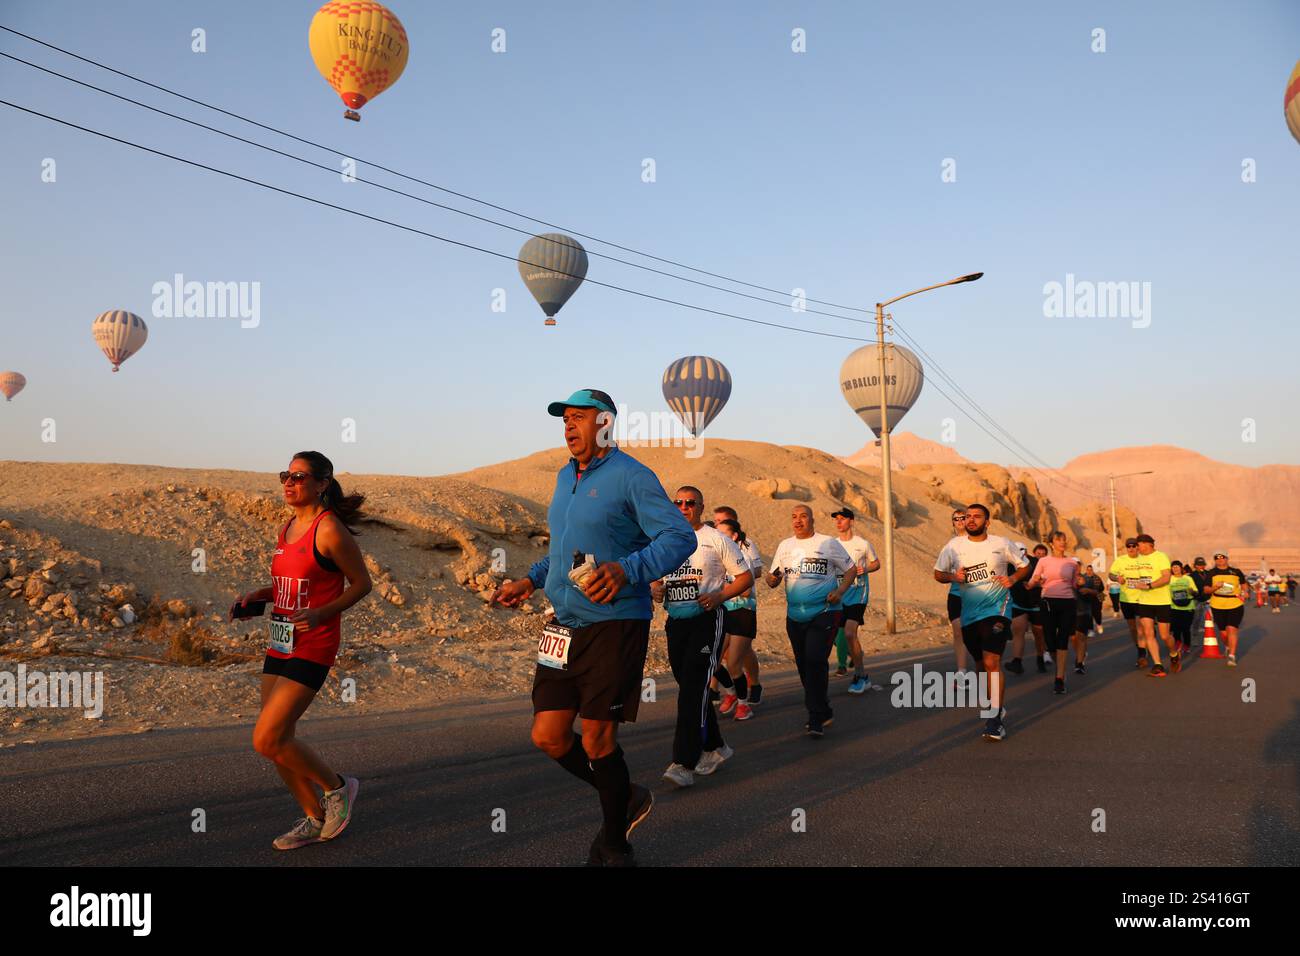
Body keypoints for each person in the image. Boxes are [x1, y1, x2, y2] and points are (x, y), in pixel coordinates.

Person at [491, 389, 696, 867]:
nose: (568, 426)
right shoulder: (566, 477)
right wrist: (530, 579)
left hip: (614, 624)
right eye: (564, 419)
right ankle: (624, 794)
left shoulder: (632, 476)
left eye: (578, 418)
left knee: (600, 739)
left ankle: (614, 841)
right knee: (548, 735)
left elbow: (679, 536)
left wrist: (627, 570)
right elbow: (565, 551)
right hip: (562, 627)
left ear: (605, 424)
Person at [233, 451, 373, 851]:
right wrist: (259, 599)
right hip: (281, 640)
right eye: (285, 475)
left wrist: (323, 612)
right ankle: (314, 817)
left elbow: (361, 584)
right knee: (279, 739)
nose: (288, 483)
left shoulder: (329, 531)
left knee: (266, 739)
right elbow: (290, 585)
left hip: (314, 644)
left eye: (298, 476)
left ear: (322, 484)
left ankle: (338, 788)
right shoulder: (288, 527)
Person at [652, 486, 753, 788]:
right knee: (691, 688)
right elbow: (655, 577)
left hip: (707, 621)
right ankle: (716, 747)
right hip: (675, 623)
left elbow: (745, 577)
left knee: (692, 691)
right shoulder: (665, 539)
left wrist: (720, 595)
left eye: (690, 503)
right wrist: (654, 588)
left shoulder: (716, 539)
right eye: (678, 502)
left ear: (701, 507)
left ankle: (684, 762)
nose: (684, 507)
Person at [933, 503, 1029, 740]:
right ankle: (993, 705)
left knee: (992, 660)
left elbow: (1024, 566)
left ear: (987, 522)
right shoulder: (954, 546)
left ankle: (995, 719)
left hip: (998, 610)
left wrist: (1013, 578)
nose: (971, 520)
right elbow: (937, 573)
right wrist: (953, 577)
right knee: (980, 665)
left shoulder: (1001, 543)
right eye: (967, 517)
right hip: (970, 614)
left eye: (977, 516)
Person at [764, 505, 856, 737]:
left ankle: (815, 717)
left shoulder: (828, 543)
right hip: (795, 615)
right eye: (794, 517)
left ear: (812, 520)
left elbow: (851, 570)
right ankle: (823, 708)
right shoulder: (785, 546)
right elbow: (774, 576)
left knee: (815, 660)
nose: (798, 521)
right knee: (804, 665)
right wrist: (771, 579)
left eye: (803, 516)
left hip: (824, 611)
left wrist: (841, 591)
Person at [711, 505, 763, 713]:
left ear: (733, 536)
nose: (718, 537)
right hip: (723, 613)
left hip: (742, 613)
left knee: (734, 663)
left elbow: (745, 590)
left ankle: (744, 701)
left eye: (722, 533)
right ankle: (731, 692)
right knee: (712, 660)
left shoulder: (744, 555)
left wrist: (722, 587)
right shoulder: (716, 559)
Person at [830, 508, 881, 694]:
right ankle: (855, 654)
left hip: (858, 595)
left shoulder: (862, 544)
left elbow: (876, 563)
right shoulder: (831, 545)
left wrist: (865, 568)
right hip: (839, 596)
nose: (838, 522)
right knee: (835, 635)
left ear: (851, 521)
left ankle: (861, 675)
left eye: (842, 519)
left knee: (850, 633)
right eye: (836, 519)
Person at [1026, 531, 1080, 694]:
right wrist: (1034, 582)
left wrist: (1079, 582)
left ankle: (1059, 678)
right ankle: (1060, 667)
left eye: (1064, 540)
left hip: (1067, 602)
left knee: (1063, 638)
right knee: (1050, 640)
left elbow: (1075, 584)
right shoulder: (1043, 561)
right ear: (1051, 543)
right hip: (1048, 602)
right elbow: (1032, 581)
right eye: (1058, 540)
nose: (1062, 543)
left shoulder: (1072, 563)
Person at [1126, 533, 1177, 676]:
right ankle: (1158, 664)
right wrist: (1123, 580)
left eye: (1139, 544)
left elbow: (1166, 577)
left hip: (1162, 601)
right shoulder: (1138, 559)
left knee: (1165, 636)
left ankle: (1173, 653)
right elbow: (1132, 575)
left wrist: (1149, 586)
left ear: (1149, 544)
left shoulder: (1161, 557)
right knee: (1148, 633)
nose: (1138, 547)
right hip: (1144, 601)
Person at [1007, 542, 1047, 674]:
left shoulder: (1036, 562)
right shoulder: (1009, 564)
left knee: (1039, 634)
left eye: (1021, 552)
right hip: (1018, 603)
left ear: (1026, 552)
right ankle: (1017, 662)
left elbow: (1046, 581)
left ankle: (1040, 657)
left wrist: (1033, 585)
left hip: (1036, 604)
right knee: (1018, 631)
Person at [1204, 552, 1247, 667]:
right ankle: (1228, 646)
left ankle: (1232, 656)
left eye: (1222, 558)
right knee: (1224, 633)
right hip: (1218, 604)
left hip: (1235, 603)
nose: (1220, 560)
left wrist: (1245, 592)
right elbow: (1206, 590)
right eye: (1217, 559)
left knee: (1232, 629)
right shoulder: (1211, 573)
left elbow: (1243, 584)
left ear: (1227, 559)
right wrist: (1215, 587)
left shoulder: (1236, 572)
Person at [1109, 537, 1147, 668]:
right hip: (1126, 599)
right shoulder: (1120, 560)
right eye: (1128, 546)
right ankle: (1140, 648)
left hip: (1142, 598)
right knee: (1132, 628)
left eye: (1133, 546)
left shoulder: (1143, 560)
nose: (1131, 548)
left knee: (1140, 627)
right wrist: (1117, 578)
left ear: (1137, 547)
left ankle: (1142, 654)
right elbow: (1111, 575)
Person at [944, 508, 972, 681]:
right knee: (958, 632)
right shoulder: (950, 545)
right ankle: (961, 671)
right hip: (956, 593)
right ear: (953, 523)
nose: (960, 521)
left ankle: (984, 665)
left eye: (963, 517)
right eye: (956, 519)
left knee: (975, 633)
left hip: (978, 595)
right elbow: (942, 571)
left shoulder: (979, 541)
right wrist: (953, 575)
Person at [1168, 561, 1198, 656]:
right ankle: (1177, 644)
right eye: (1173, 567)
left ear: (1181, 568)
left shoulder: (1188, 579)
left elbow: (1196, 592)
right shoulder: (1169, 579)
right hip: (1174, 607)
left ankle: (1186, 645)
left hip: (1188, 607)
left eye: (1177, 567)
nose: (1175, 569)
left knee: (1186, 628)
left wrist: (1192, 591)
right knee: (1176, 628)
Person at [1189, 557, 1212, 637]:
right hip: (1197, 600)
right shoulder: (1192, 575)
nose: (1201, 566)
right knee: (1196, 619)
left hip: (1209, 599)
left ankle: (1209, 634)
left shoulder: (1209, 573)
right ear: (1195, 566)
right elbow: (1190, 588)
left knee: (1210, 618)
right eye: (1199, 565)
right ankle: (1194, 635)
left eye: (1202, 565)